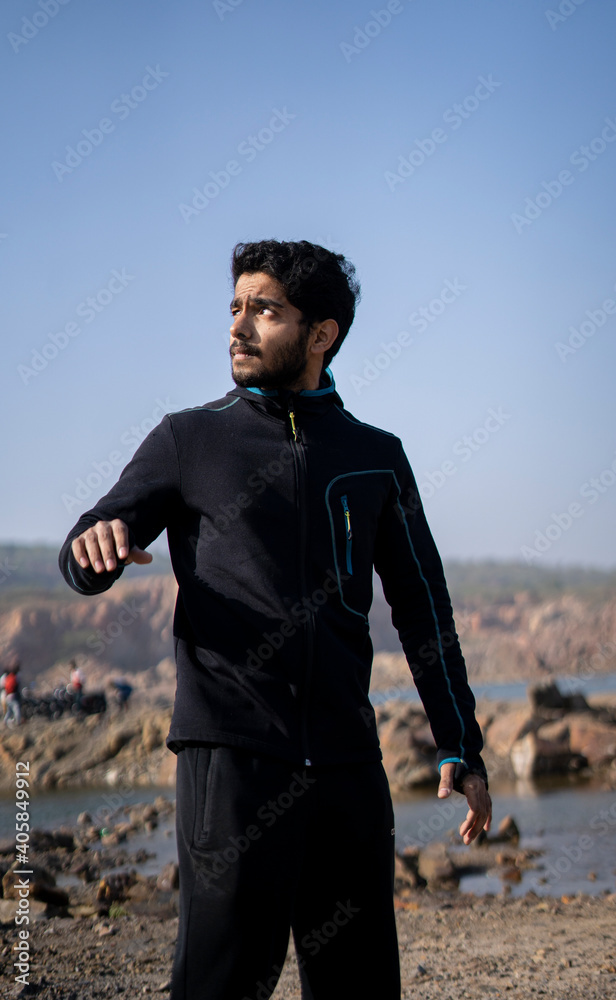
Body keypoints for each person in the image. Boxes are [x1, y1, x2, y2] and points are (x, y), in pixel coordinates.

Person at [58, 240, 492, 1000]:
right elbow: (91, 539)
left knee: (359, 986)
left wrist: (461, 742)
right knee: (219, 985)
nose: (238, 326)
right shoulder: (189, 439)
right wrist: (91, 551)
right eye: (235, 307)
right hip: (233, 760)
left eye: (264, 310)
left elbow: (424, 605)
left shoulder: (375, 457)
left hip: (347, 765)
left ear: (321, 333)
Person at [3, 660, 22, 726]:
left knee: (9, 710)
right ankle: (18, 722)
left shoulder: (7, 678)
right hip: (13, 695)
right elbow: (17, 686)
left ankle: (5, 721)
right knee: (16, 708)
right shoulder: (14, 678)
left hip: (7, 696)